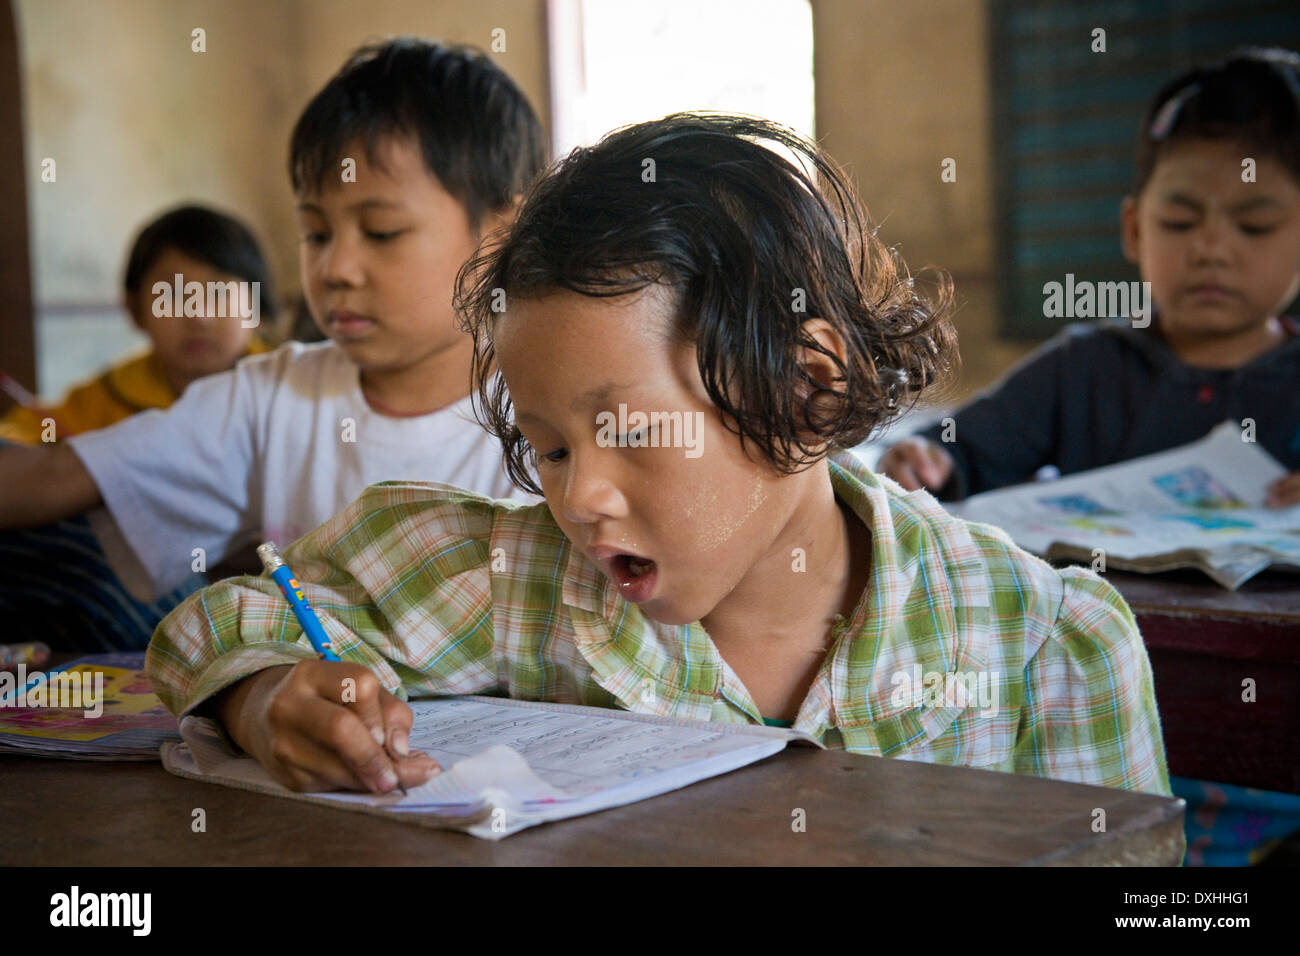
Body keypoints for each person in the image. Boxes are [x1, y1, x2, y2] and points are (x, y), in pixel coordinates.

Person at [146, 115, 1174, 821]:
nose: (579, 494)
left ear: (806, 382)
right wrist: (269, 694)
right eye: (548, 445)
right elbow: (221, 619)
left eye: (628, 428)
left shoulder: (1045, 646)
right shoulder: (505, 580)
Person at [0, 38, 546, 649]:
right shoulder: (269, 400)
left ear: (500, 233)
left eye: (381, 231)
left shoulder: (550, 413)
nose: (335, 267)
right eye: (315, 233)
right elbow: (53, 475)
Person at [880, 48, 1300, 509]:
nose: (1211, 251)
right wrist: (923, 459)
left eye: (1254, 227)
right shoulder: (1082, 369)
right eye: (1180, 221)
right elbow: (957, 448)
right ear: (1134, 230)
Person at [0, 204, 276, 443]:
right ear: (135, 310)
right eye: (172, 294)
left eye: (218, 293)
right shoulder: (108, 398)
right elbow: (23, 435)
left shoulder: (285, 387)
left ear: (259, 309)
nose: (198, 315)